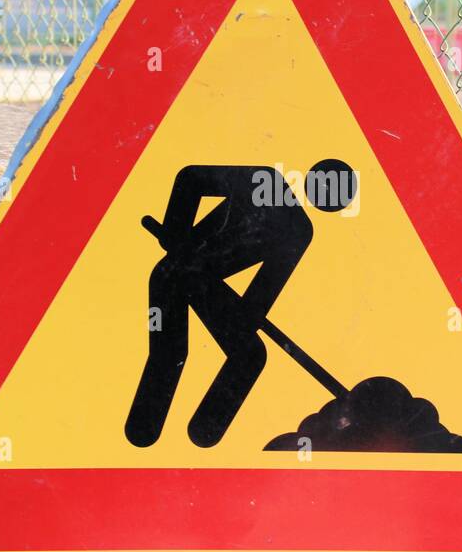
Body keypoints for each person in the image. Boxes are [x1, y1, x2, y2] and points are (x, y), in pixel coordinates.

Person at [126, 160, 355, 447]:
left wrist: (245, 316)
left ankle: (204, 433)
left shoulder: (299, 231)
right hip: (172, 273)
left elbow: (261, 295)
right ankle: (143, 428)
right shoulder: (262, 180)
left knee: (249, 354)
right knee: (168, 352)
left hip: (206, 283)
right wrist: (176, 227)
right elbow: (190, 178)